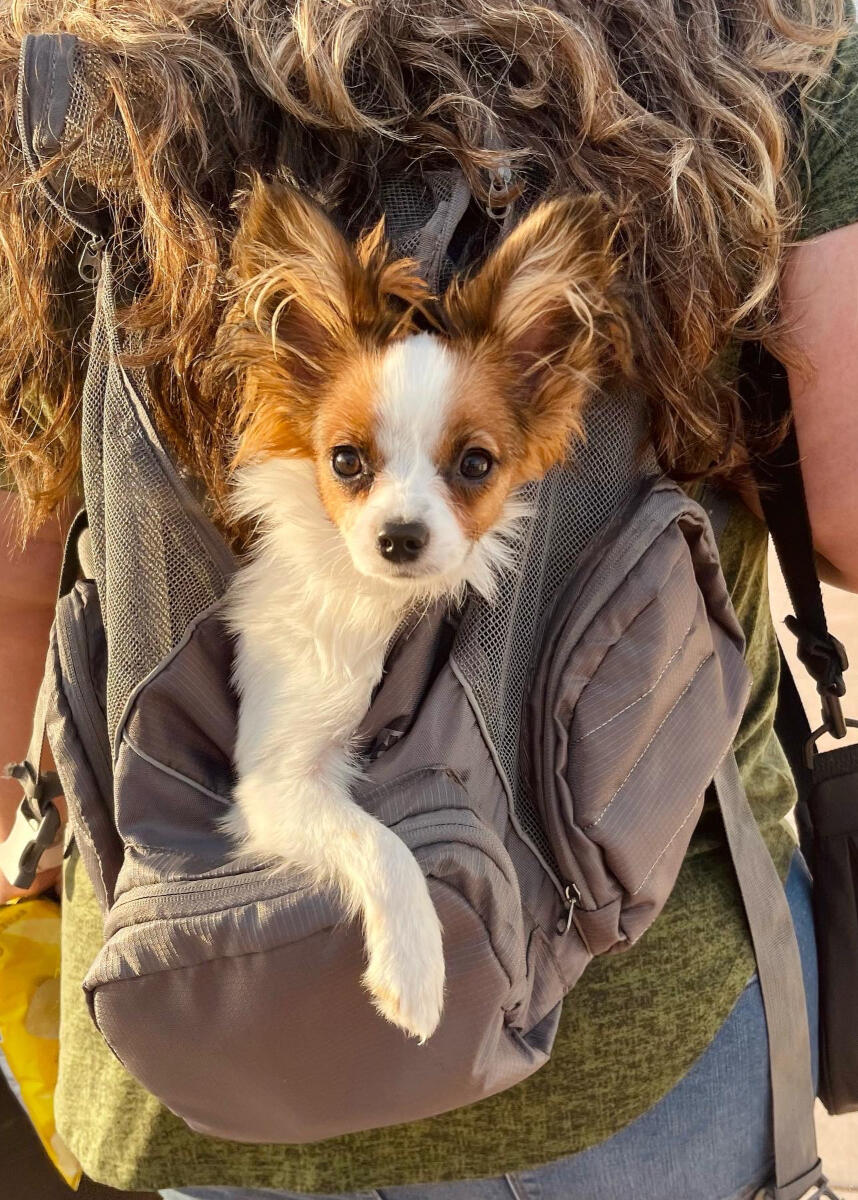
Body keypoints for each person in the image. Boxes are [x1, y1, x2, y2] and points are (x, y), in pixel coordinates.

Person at [1, 1, 856, 1197]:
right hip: (628, 1044)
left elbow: (18, 573)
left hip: (204, 1033)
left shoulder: (81, 47)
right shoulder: (762, 28)